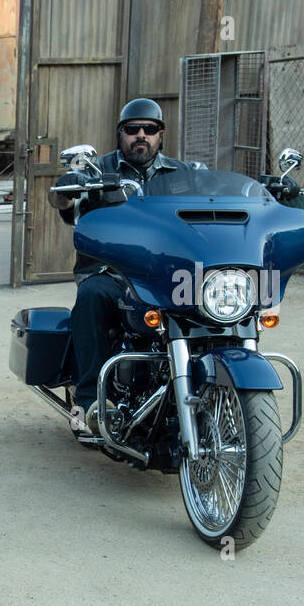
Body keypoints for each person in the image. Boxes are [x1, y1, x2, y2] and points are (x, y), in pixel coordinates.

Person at [51, 98, 202, 434]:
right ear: (120, 134)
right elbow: (67, 207)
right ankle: (88, 403)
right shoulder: (97, 170)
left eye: (150, 129)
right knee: (91, 296)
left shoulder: (186, 174)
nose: (141, 136)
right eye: (132, 129)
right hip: (114, 275)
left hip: (169, 276)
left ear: (161, 135)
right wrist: (64, 191)